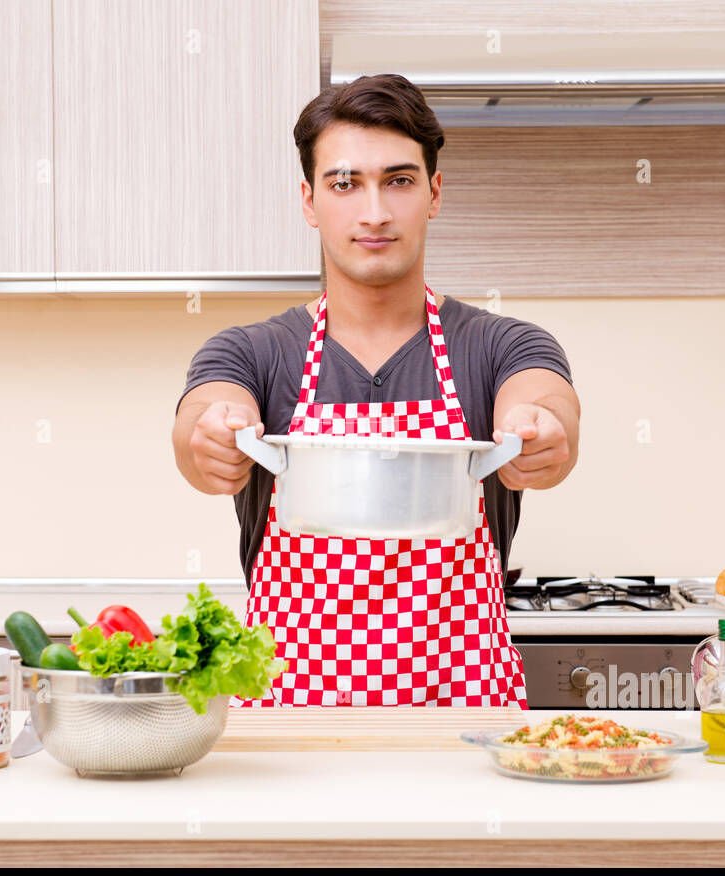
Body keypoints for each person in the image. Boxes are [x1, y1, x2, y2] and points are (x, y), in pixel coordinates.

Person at [172, 74, 580, 707]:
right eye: (345, 184)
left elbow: (545, 401)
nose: (375, 213)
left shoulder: (499, 346)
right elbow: (203, 415)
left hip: (461, 729)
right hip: (285, 735)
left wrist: (540, 430)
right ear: (309, 201)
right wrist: (212, 433)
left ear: (434, 192)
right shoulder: (253, 352)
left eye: (399, 180)